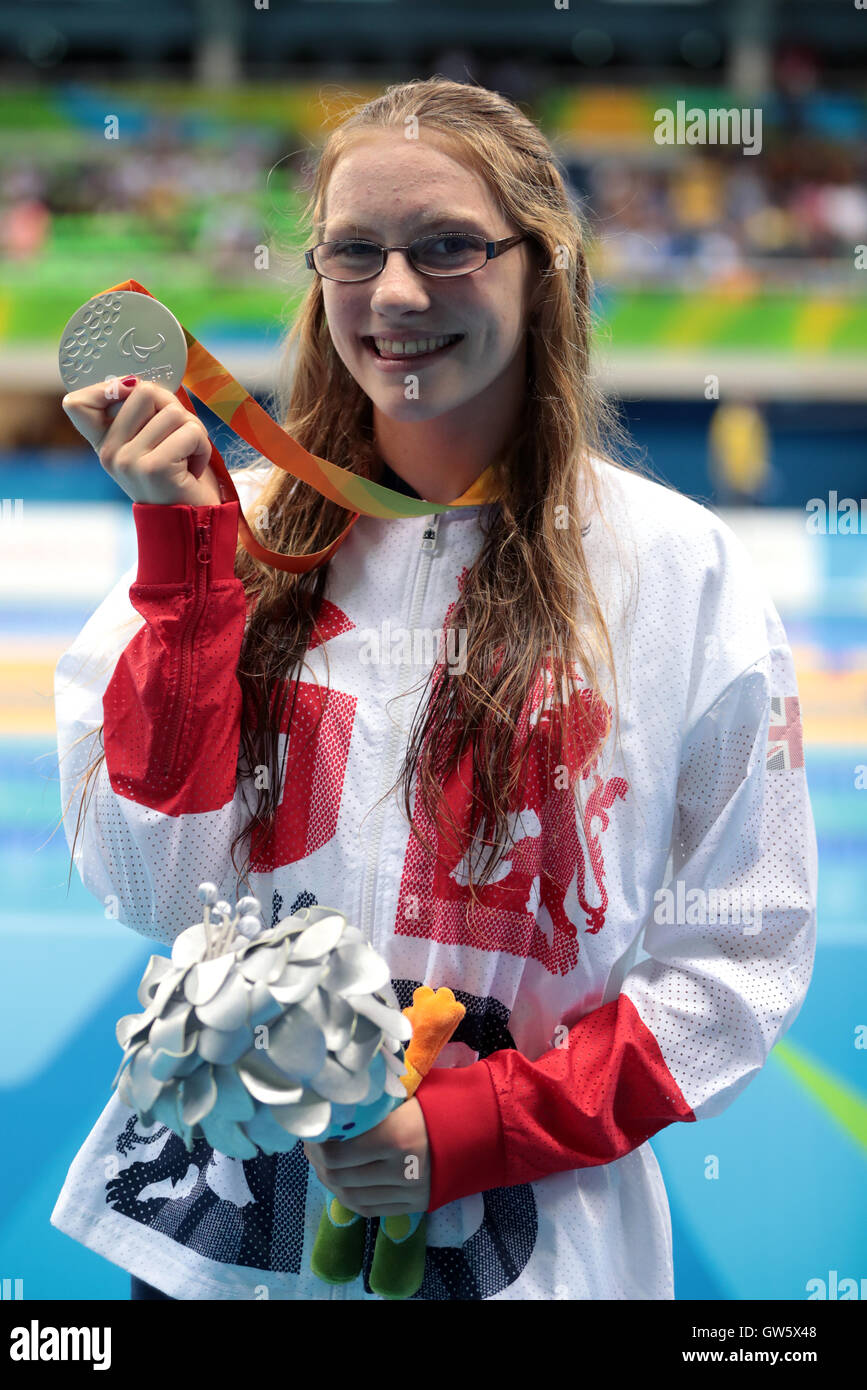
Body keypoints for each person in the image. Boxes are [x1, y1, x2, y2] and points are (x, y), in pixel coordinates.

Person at [49, 76, 818, 1301]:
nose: (395, 295)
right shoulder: (217, 534)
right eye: (353, 252)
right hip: (219, 1257)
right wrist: (188, 575)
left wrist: (478, 1128)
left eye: (449, 246)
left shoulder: (679, 571)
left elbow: (744, 954)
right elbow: (154, 893)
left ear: (544, 264)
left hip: (532, 1261)